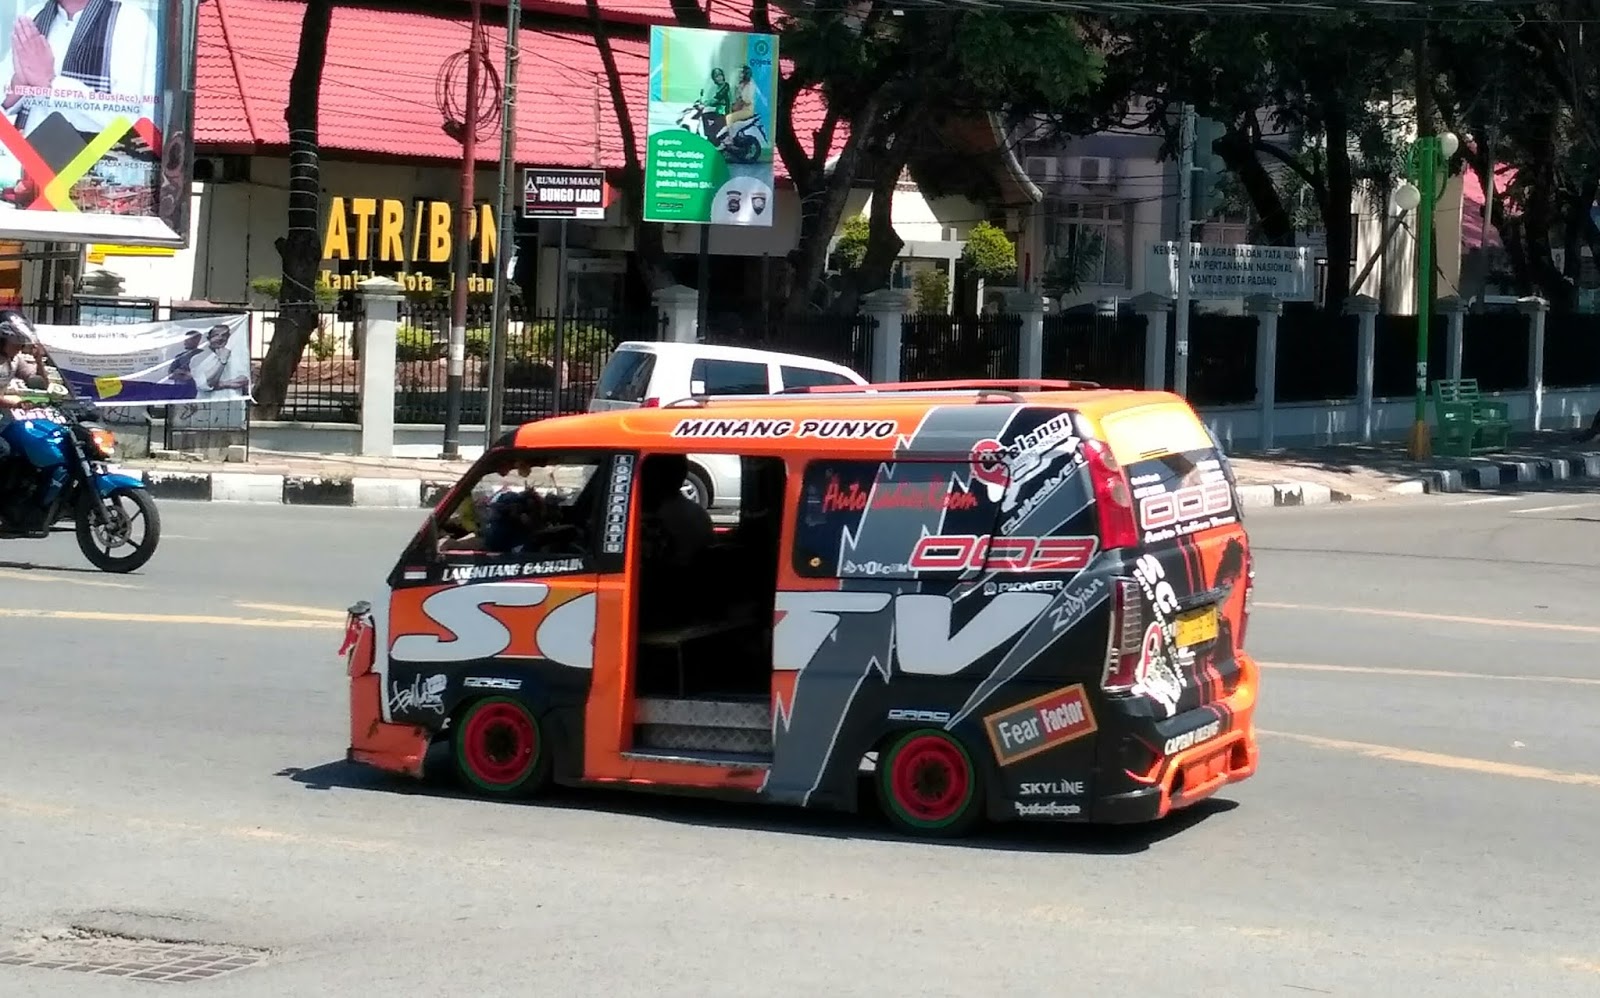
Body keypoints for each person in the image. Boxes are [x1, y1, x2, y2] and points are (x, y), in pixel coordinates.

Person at [0, 0, 161, 140]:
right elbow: (5, 102)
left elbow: (136, 123)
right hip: (22, 161)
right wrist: (19, 85)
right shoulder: (34, 17)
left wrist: (50, 83)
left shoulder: (132, 23)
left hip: (96, 164)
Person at [718, 65, 756, 150]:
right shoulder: (741, 84)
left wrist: (740, 97)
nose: (740, 75)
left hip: (747, 110)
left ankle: (730, 140)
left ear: (746, 74)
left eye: (742, 73)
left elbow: (747, 100)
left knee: (729, 118)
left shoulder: (750, 85)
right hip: (740, 108)